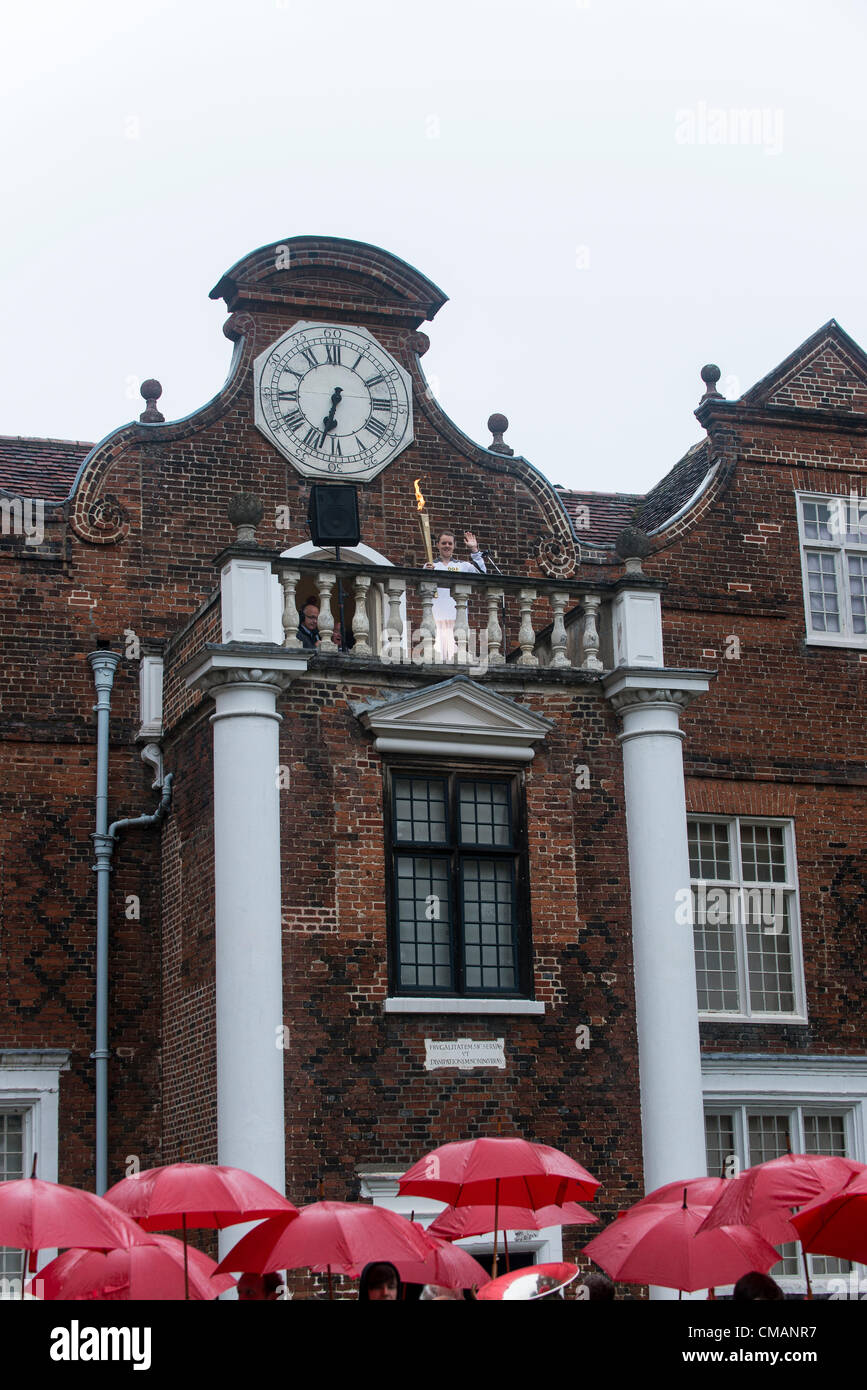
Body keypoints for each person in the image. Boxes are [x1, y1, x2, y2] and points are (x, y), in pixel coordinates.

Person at [423, 530, 486, 661]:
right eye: (444, 543)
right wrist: (427, 574)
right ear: (437, 545)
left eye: (450, 543)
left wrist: (475, 550)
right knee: (437, 658)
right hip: (436, 618)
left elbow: (482, 575)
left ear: (454, 545)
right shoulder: (430, 566)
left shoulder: (463, 566)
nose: (447, 546)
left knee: (456, 658)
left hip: (457, 618)